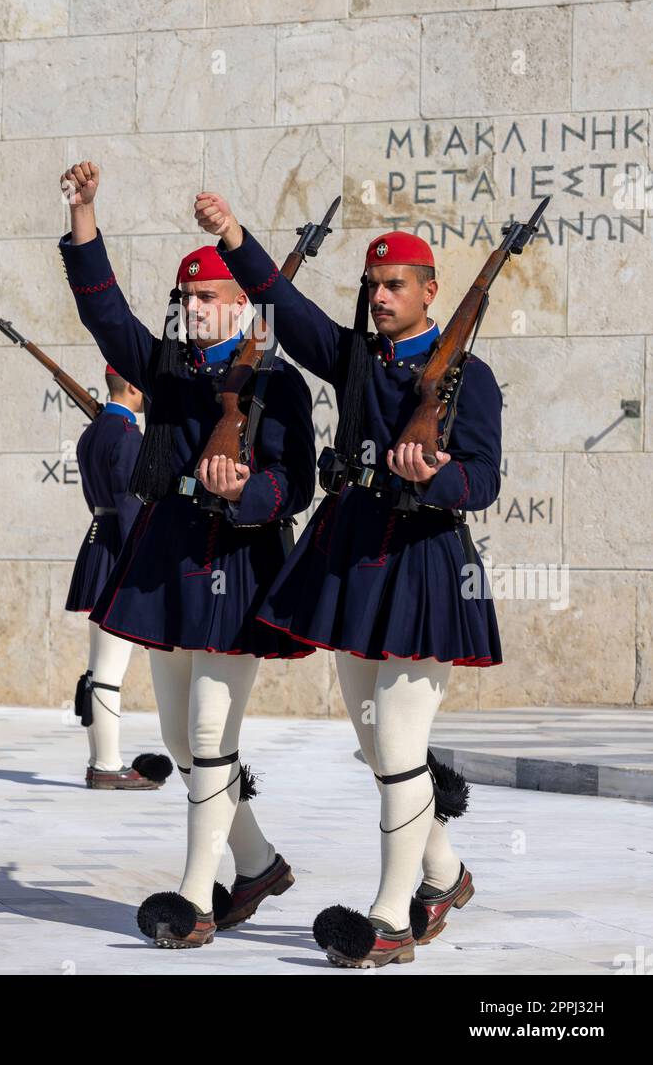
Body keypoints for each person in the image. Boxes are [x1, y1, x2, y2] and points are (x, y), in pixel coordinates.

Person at [195, 192, 502, 969]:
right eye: (371, 287)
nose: (379, 297)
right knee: (374, 748)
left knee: (399, 748)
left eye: (394, 285)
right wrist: (235, 239)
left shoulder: (470, 377)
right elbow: (282, 307)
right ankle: (444, 873)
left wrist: (434, 476)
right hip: (350, 559)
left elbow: (484, 480)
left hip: (422, 565)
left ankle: (390, 918)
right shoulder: (354, 360)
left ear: (430, 291)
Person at [56, 162, 317, 949]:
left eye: (207, 297)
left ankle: (195, 899)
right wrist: (85, 216)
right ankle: (259, 863)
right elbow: (105, 317)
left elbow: (294, 483)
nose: (193, 309)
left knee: (209, 738)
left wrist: (247, 493)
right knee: (176, 739)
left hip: (234, 567)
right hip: (169, 562)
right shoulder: (168, 372)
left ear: (241, 305)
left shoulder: (279, 382)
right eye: (186, 299)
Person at [67, 362, 172, 791]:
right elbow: (132, 506)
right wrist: (144, 560)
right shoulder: (128, 438)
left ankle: (101, 761)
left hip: (96, 544)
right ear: (131, 386)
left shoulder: (92, 433)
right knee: (108, 669)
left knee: (98, 667)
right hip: (120, 552)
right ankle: (107, 766)